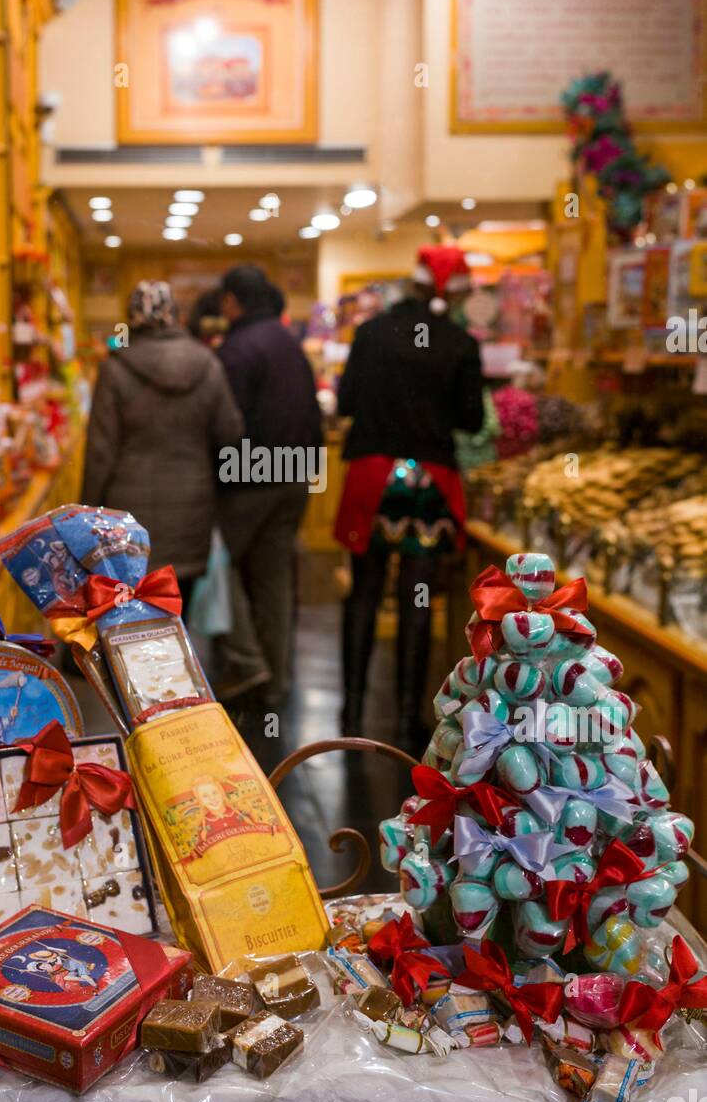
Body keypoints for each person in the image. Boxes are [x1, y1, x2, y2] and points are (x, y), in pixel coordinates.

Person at [334, 246, 485, 753]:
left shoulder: (371, 333)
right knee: (417, 599)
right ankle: (406, 719)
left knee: (363, 592)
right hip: (430, 483)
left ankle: (350, 710)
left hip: (373, 475)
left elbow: (347, 401)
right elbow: (471, 419)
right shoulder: (461, 343)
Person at [81, 280, 243, 606]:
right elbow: (231, 434)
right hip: (192, 509)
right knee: (179, 611)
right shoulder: (207, 363)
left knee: (133, 617)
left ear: (131, 317)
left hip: (129, 520)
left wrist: (86, 517)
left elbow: (100, 453)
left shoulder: (115, 368)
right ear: (175, 314)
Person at [215, 264, 322, 704]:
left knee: (214, 564)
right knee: (274, 578)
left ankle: (246, 661)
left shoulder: (236, 348)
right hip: (296, 472)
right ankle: (275, 681)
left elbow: (227, 423)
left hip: (250, 474)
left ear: (233, 301)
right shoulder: (289, 342)